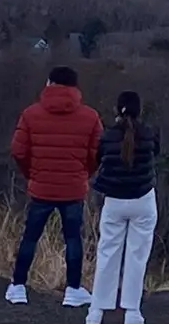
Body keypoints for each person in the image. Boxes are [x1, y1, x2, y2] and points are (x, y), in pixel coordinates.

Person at [6, 66, 102, 306]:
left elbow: (18, 150)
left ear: (49, 83)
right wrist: (83, 173)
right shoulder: (90, 117)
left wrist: (33, 173)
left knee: (30, 236)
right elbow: (98, 153)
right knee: (73, 238)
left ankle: (18, 286)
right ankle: (73, 290)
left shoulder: (30, 114)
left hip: (41, 187)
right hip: (73, 188)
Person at [86, 90, 161, 324]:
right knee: (136, 257)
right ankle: (132, 312)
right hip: (143, 198)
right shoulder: (149, 133)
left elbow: (98, 159)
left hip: (114, 200)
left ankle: (96, 312)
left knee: (107, 253)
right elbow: (155, 153)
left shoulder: (107, 135)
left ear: (117, 110)